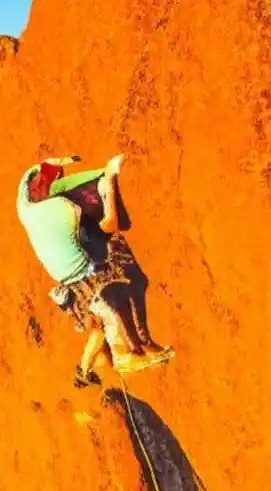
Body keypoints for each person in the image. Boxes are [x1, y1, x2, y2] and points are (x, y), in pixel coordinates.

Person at [15, 153, 172, 386]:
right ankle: (125, 356)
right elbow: (109, 223)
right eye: (46, 185)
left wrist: (58, 162)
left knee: (102, 322)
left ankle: (122, 355)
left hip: (67, 281)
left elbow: (32, 177)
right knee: (111, 309)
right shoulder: (60, 210)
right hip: (80, 274)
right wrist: (108, 181)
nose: (49, 187)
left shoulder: (24, 203)